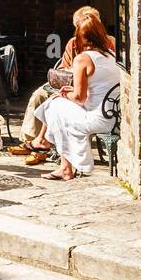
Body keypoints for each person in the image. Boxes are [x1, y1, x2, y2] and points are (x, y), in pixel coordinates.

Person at [12, 6, 116, 155]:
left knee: (57, 102)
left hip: (93, 97)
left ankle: (43, 145)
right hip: (76, 86)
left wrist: (72, 85)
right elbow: (63, 68)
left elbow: (83, 93)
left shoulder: (110, 45)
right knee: (39, 95)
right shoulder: (73, 43)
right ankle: (32, 140)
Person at [27, 14, 121, 179]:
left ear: (80, 36)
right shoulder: (112, 56)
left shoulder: (83, 59)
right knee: (56, 105)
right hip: (114, 116)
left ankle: (62, 164)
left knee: (55, 105)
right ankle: (51, 149)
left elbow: (79, 98)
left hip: (98, 119)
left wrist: (66, 93)